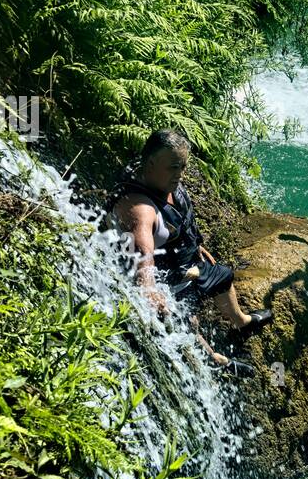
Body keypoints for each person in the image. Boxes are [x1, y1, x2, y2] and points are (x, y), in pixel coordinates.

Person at [108, 130, 271, 372]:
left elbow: (178, 223)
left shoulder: (161, 178)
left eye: (183, 166)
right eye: (174, 167)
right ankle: (214, 360)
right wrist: (149, 287)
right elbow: (142, 250)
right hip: (167, 278)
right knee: (188, 321)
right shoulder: (138, 208)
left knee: (222, 275)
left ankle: (242, 322)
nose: (180, 174)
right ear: (151, 163)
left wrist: (195, 246)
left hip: (185, 261)